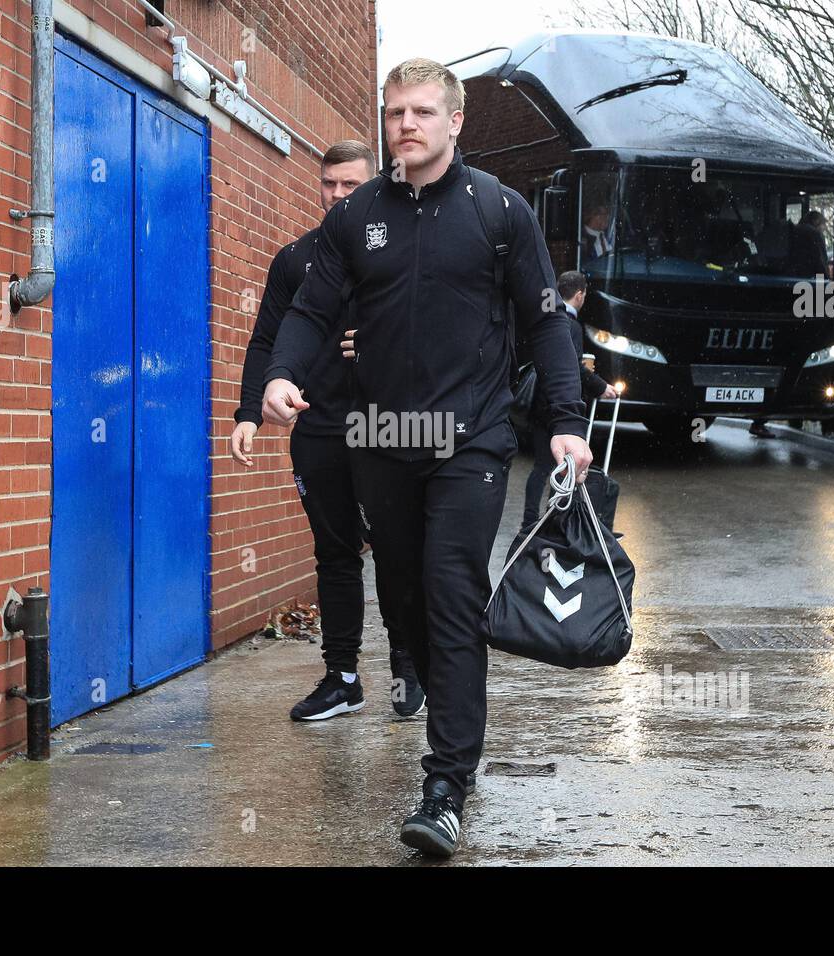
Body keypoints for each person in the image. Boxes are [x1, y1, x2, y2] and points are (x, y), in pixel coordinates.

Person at [261, 57, 592, 858]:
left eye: (421, 112)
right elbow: (310, 307)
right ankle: (420, 673)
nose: (405, 124)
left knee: (449, 590)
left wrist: (564, 419)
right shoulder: (356, 217)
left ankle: (446, 783)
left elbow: (546, 323)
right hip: (379, 437)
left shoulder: (499, 212)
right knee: (401, 589)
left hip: (471, 440)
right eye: (394, 112)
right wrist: (278, 373)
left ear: (454, 122)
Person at [231, 140, 425, 722]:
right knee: (334, 554)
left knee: (394, 549)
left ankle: (407, 664)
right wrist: (248, 412)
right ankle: (342, 678)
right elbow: (267, 338)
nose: (338, 196)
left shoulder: (402, 251)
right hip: (317, 427)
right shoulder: (296, 260)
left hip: (385, 426)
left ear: (374, 187)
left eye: (351, 186)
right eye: (329, 184)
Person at [521, 271, 615, 531]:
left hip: (539, 405)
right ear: (580, 295)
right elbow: (571, 366)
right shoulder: (568, 326)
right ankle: (553, 519)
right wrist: (600, 387)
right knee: (560, 466)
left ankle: (530, 519)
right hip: (557, 409)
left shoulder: (545, 318)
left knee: (541, 465)